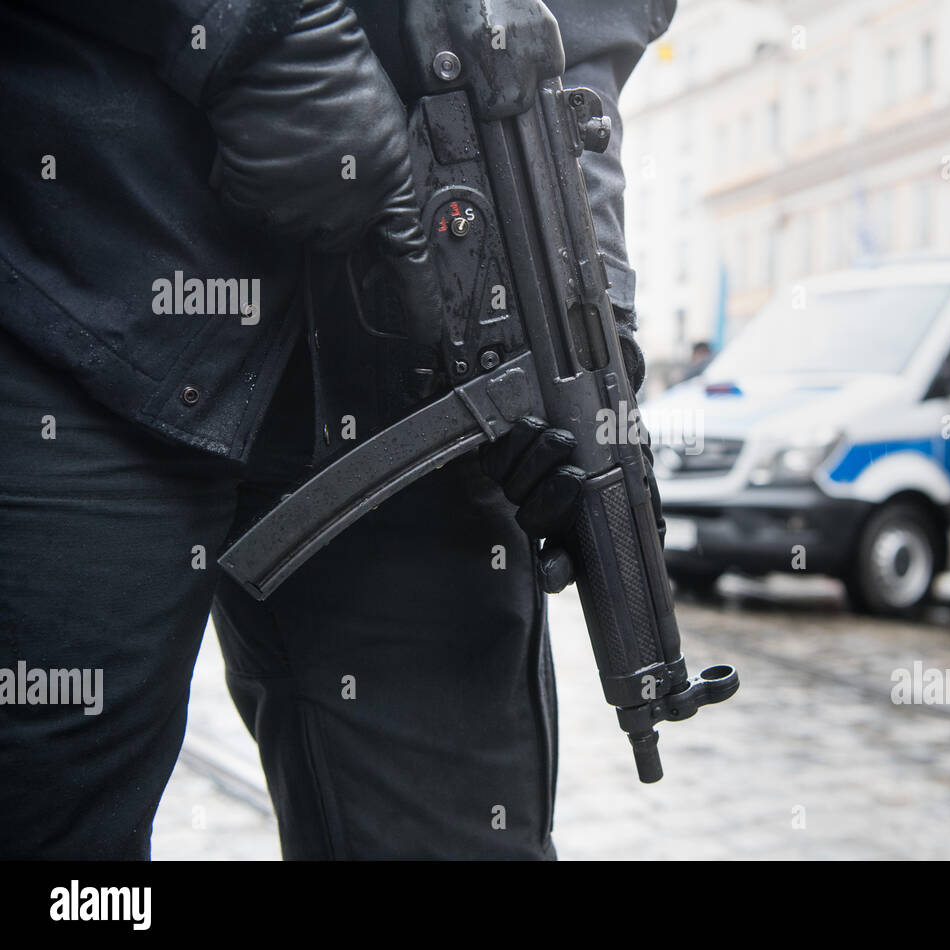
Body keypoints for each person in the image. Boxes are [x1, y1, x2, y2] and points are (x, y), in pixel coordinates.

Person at [0, 0, 673, 859]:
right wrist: (258, 35)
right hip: (86, 274)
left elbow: (585, 34)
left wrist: (579, 296)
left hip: (426, 365)